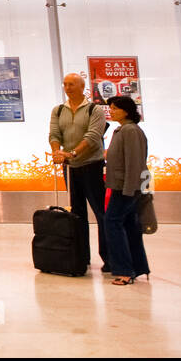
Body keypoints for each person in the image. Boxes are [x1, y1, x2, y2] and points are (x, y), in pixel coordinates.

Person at [48, 73, 108, 271]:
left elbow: (93, 137)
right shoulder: (58, 110)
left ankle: (109, 257)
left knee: (101, 212)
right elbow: (54, 134)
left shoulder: (94, 109)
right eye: (65, 84)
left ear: (82, 86)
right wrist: (57, 152)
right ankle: (81, 255)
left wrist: (73, 153)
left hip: (92, 165)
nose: (67, 87)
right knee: (77, 213)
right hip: (71, 169)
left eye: (71, 84)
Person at [103, 96, 150, 286]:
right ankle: (138, 267)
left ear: (126, 110)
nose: (111, 111)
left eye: (115, 108)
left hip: (126, 187)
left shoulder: (130, 130)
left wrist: (129, 188)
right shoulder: (121, 130)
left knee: (112, 222)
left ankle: (124, 270)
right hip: (122, 186)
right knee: (130, 226)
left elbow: (134, 162)